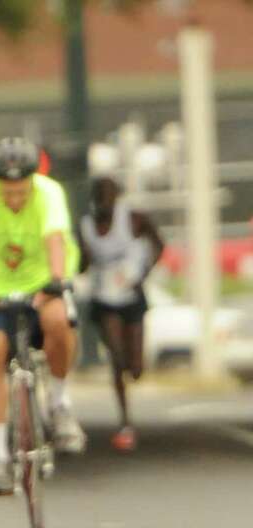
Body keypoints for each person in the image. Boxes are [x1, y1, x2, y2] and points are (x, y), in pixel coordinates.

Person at [0, 136, 86, 495]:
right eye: (7, 192)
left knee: (58, 321)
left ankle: (59, 403)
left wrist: (56, 281)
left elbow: (55, 238)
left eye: (21, 191)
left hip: (41, 284)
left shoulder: (49, 193)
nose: (14, 199)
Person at [78, 177, 164, 451]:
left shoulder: (135, 219)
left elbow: (159, 244)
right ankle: (125, 421)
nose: (105, 201)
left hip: (131, 295)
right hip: (104, 298)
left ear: (117, 197)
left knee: (135, 369)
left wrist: (144, 272)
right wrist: (84, 258)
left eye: (109, 195)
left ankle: (131, 363)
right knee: (117, 358)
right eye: (100, 196)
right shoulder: (86, 226)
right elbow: (81, 265)